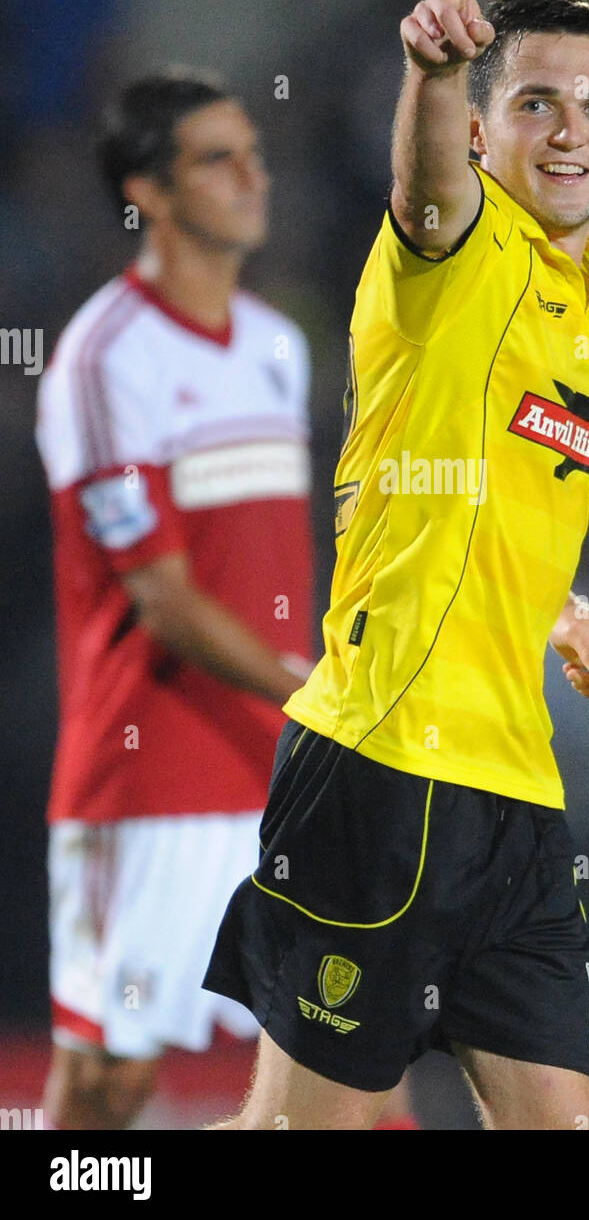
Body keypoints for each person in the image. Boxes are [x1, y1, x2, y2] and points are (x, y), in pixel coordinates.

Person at [204, 0, 589, 1131]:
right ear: (486, 131)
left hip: (516, 797)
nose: (568, 129)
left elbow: (480, 510)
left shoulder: (587, 317)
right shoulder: (453, 247)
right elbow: (424, 191)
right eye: (536, 100)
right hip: (386, 768)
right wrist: (433, 72)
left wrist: (564, 609)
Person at [34, 68, 317, 1129]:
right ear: (146, 191)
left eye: (253, 150)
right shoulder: (105, 359)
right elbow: (163, 597)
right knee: (110, 1086)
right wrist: (313, 693)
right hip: (146, 780)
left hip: (276, 775)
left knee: (347, 1071)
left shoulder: (279, 349)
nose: (254, 175)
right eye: (217, 157)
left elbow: (276, 567)